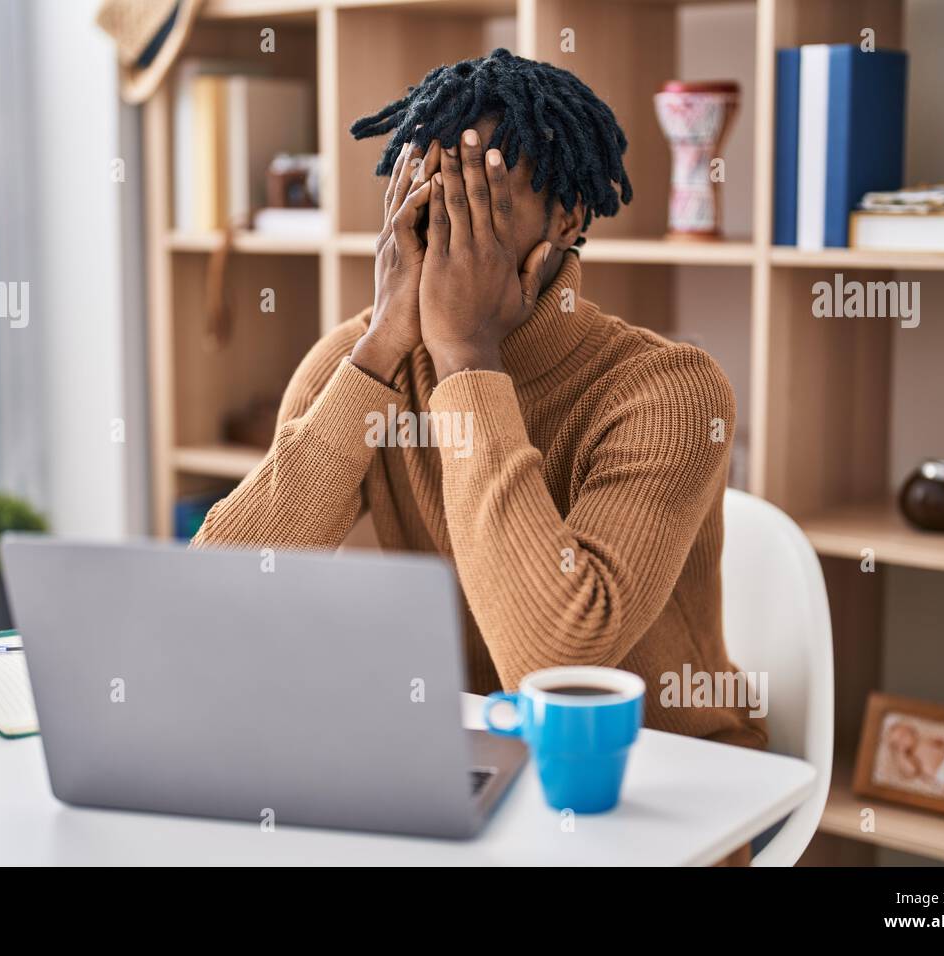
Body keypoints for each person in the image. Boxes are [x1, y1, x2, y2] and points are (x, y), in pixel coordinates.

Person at [194, 49, 765, 750]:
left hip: (665, 780)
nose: (445, 230)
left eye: (479, 201)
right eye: (427, 198)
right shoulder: (361, 365)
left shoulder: (669, 391)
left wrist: (467, 357)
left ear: (568, 215)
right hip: (468, 761)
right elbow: (218, 598)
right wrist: (374, 357)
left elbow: (555, 671)